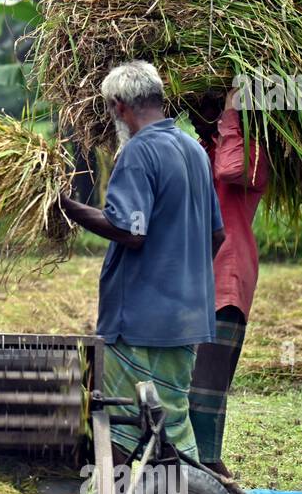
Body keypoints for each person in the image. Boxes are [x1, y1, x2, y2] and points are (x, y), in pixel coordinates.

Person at [58, 60, 225, 465]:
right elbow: (217, 235)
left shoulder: (138, 152)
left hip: (139, 321)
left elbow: (131, 232)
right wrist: (183, 275)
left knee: (115, 420)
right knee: (171, 420)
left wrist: (67, 207)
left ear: (118, 106)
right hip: (187, 318)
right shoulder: (193, 150)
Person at [187, 88, 269, 494]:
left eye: (208, 112)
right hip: (200, 282)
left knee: (207, 391)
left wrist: (234, 113)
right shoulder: (206, 150)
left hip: (230, 277)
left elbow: (232, 168)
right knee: (192, 391)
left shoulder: (252, 153)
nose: (203, 119)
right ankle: (218, 484)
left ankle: (222, 486)